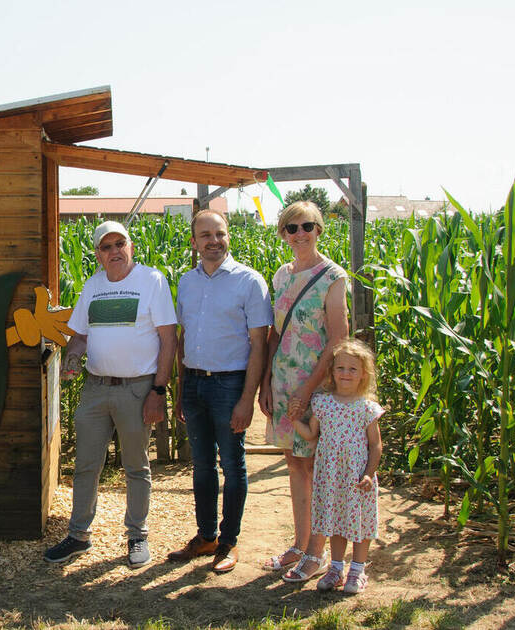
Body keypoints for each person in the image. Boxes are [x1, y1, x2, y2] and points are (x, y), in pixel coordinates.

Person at [43, 220, 177, 569]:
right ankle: (78, 536)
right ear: (98, 254)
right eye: (107, 246)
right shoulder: (93, 285)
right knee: (86, 465)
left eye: (121, 243)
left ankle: (137, 535)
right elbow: (81, 337)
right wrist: (72, 358)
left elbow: (168, 339)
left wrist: (158, 392)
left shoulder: (152, 281)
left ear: (131, 246)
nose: (115, 251)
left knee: (136, 466)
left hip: (137, 389)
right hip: (95, 388)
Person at [168, 210, 271, 573]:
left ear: (228, 237)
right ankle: (206, 536)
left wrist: (247, 397)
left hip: (230, 383)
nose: (214, 241)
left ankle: (228, 542)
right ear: (194, 242)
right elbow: (183, 339)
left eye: (220, 234)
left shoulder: (249, 281)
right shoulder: (186, 282)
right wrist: (182, 390)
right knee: (202, 466)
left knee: (232, 464)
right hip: (195, 382)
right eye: (205, 235)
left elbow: (260, 344)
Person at [257, 201, 349, 583]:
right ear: (282, 233)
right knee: (294, 463)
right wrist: (265, 381)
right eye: (292, 227)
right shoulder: (281, 275)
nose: (300, 234)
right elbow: (275, 332)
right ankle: (299, 542)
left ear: (319, 230)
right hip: (283, 382)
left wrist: (309, 391)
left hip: (317, 386)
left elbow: (338, 340)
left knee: (314, 467)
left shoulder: (333, 276)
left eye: (307, 226)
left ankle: (316, 552)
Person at [293, 338, 382, 594]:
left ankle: (357, 570)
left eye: (353, 369)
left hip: (357, 477)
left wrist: (368, 473)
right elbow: (311, 434)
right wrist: (293, 419)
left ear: (363, 374)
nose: (346, 374)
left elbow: (376, 445)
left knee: (360, 522)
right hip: (331, 477)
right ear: (332, 371)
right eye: (340, 368)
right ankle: (336, 568)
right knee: (336, 521)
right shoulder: (323, 403)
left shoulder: (367, 408)